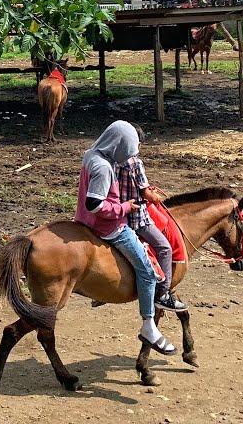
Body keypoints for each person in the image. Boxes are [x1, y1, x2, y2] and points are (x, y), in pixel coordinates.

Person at [76, 120, 177, 355]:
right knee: (148, 272)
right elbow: (94, 204)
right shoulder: (103, 167)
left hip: (82, 221)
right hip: (110, 227)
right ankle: (149, 325)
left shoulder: (91, 154)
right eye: (129, 148)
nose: (130, 155)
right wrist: (125, 208)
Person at [115, 126, 187, 313]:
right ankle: (162, 294)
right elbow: (145, 192)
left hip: (119, 214)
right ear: (137, 144)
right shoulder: (135, 163)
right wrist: (156, 197)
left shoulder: (113, 161)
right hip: (137, 217)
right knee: (164, 248)